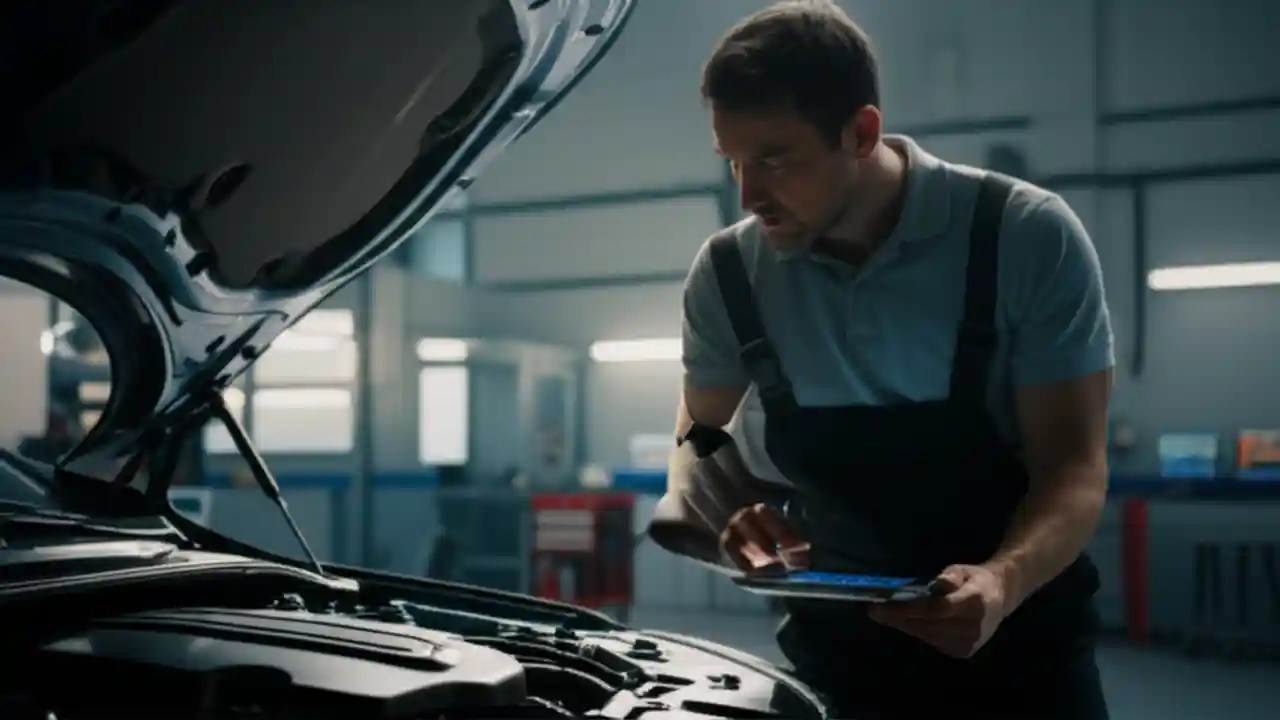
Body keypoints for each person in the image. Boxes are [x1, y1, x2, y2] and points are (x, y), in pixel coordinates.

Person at [670, 1, 1114, 717]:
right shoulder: (726, 272)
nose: (748, 195)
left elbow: (1075, 467)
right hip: (839, 666)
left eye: (775, 159)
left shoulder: (1024, 237)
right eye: (734, 162)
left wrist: (1000, 582)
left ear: (862, 132)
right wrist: (729, 502)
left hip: (1025, 653)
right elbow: (700, 436)